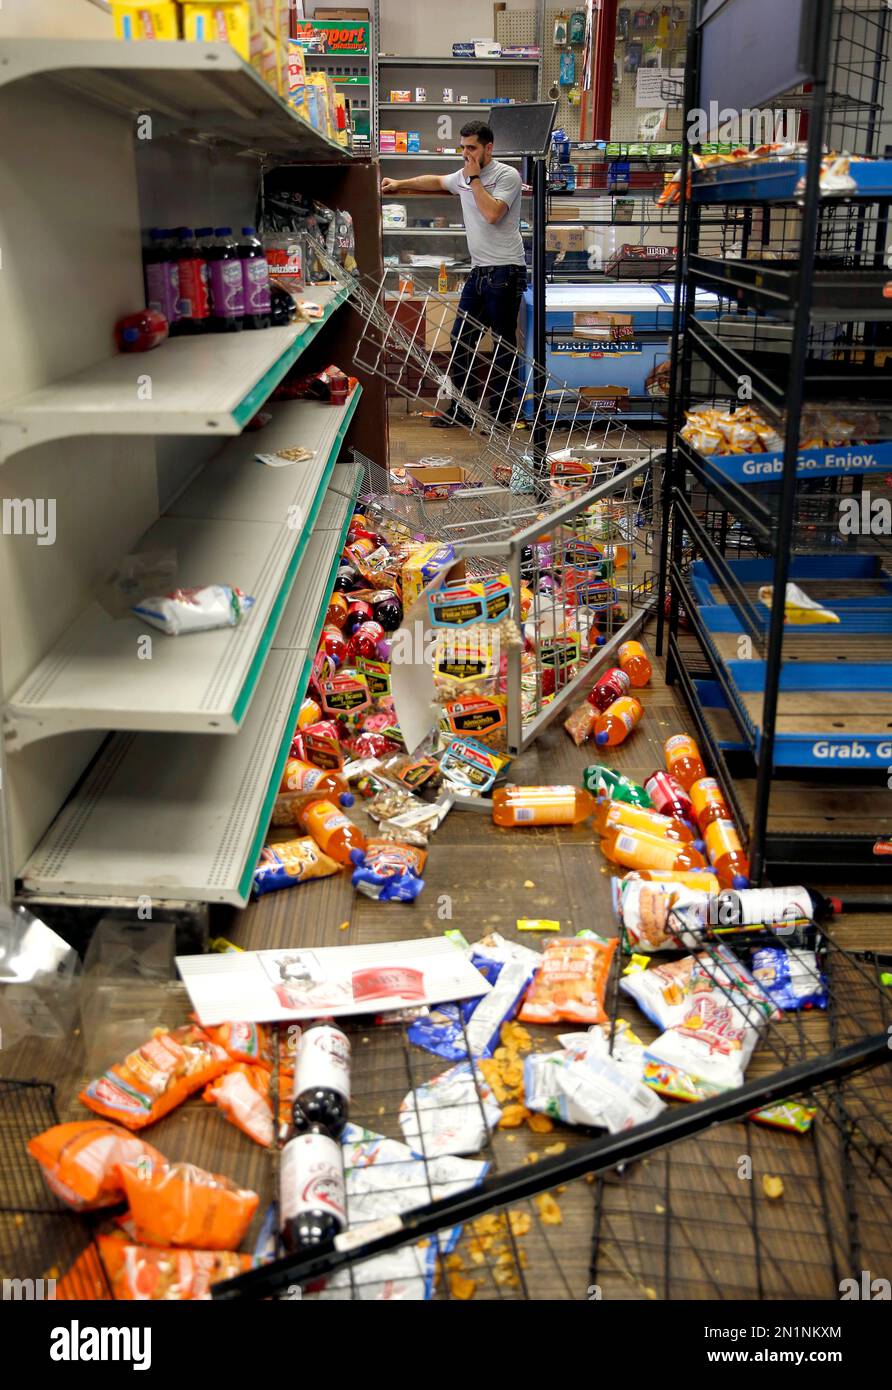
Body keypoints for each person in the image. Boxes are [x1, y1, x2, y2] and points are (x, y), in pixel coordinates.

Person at [381, 120, 527, 428]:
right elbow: (434, 181)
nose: (466, 154)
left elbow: (491, 214)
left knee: (502, 344)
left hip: (506, 271)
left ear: (489, 148)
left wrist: (474, 179)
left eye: (472, 148)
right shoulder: (462, 176)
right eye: (463, 148)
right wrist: (400, 184)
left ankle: (501, 416)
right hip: (479, 272)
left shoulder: (507, 176)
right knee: (460, 339)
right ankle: (464, 411)